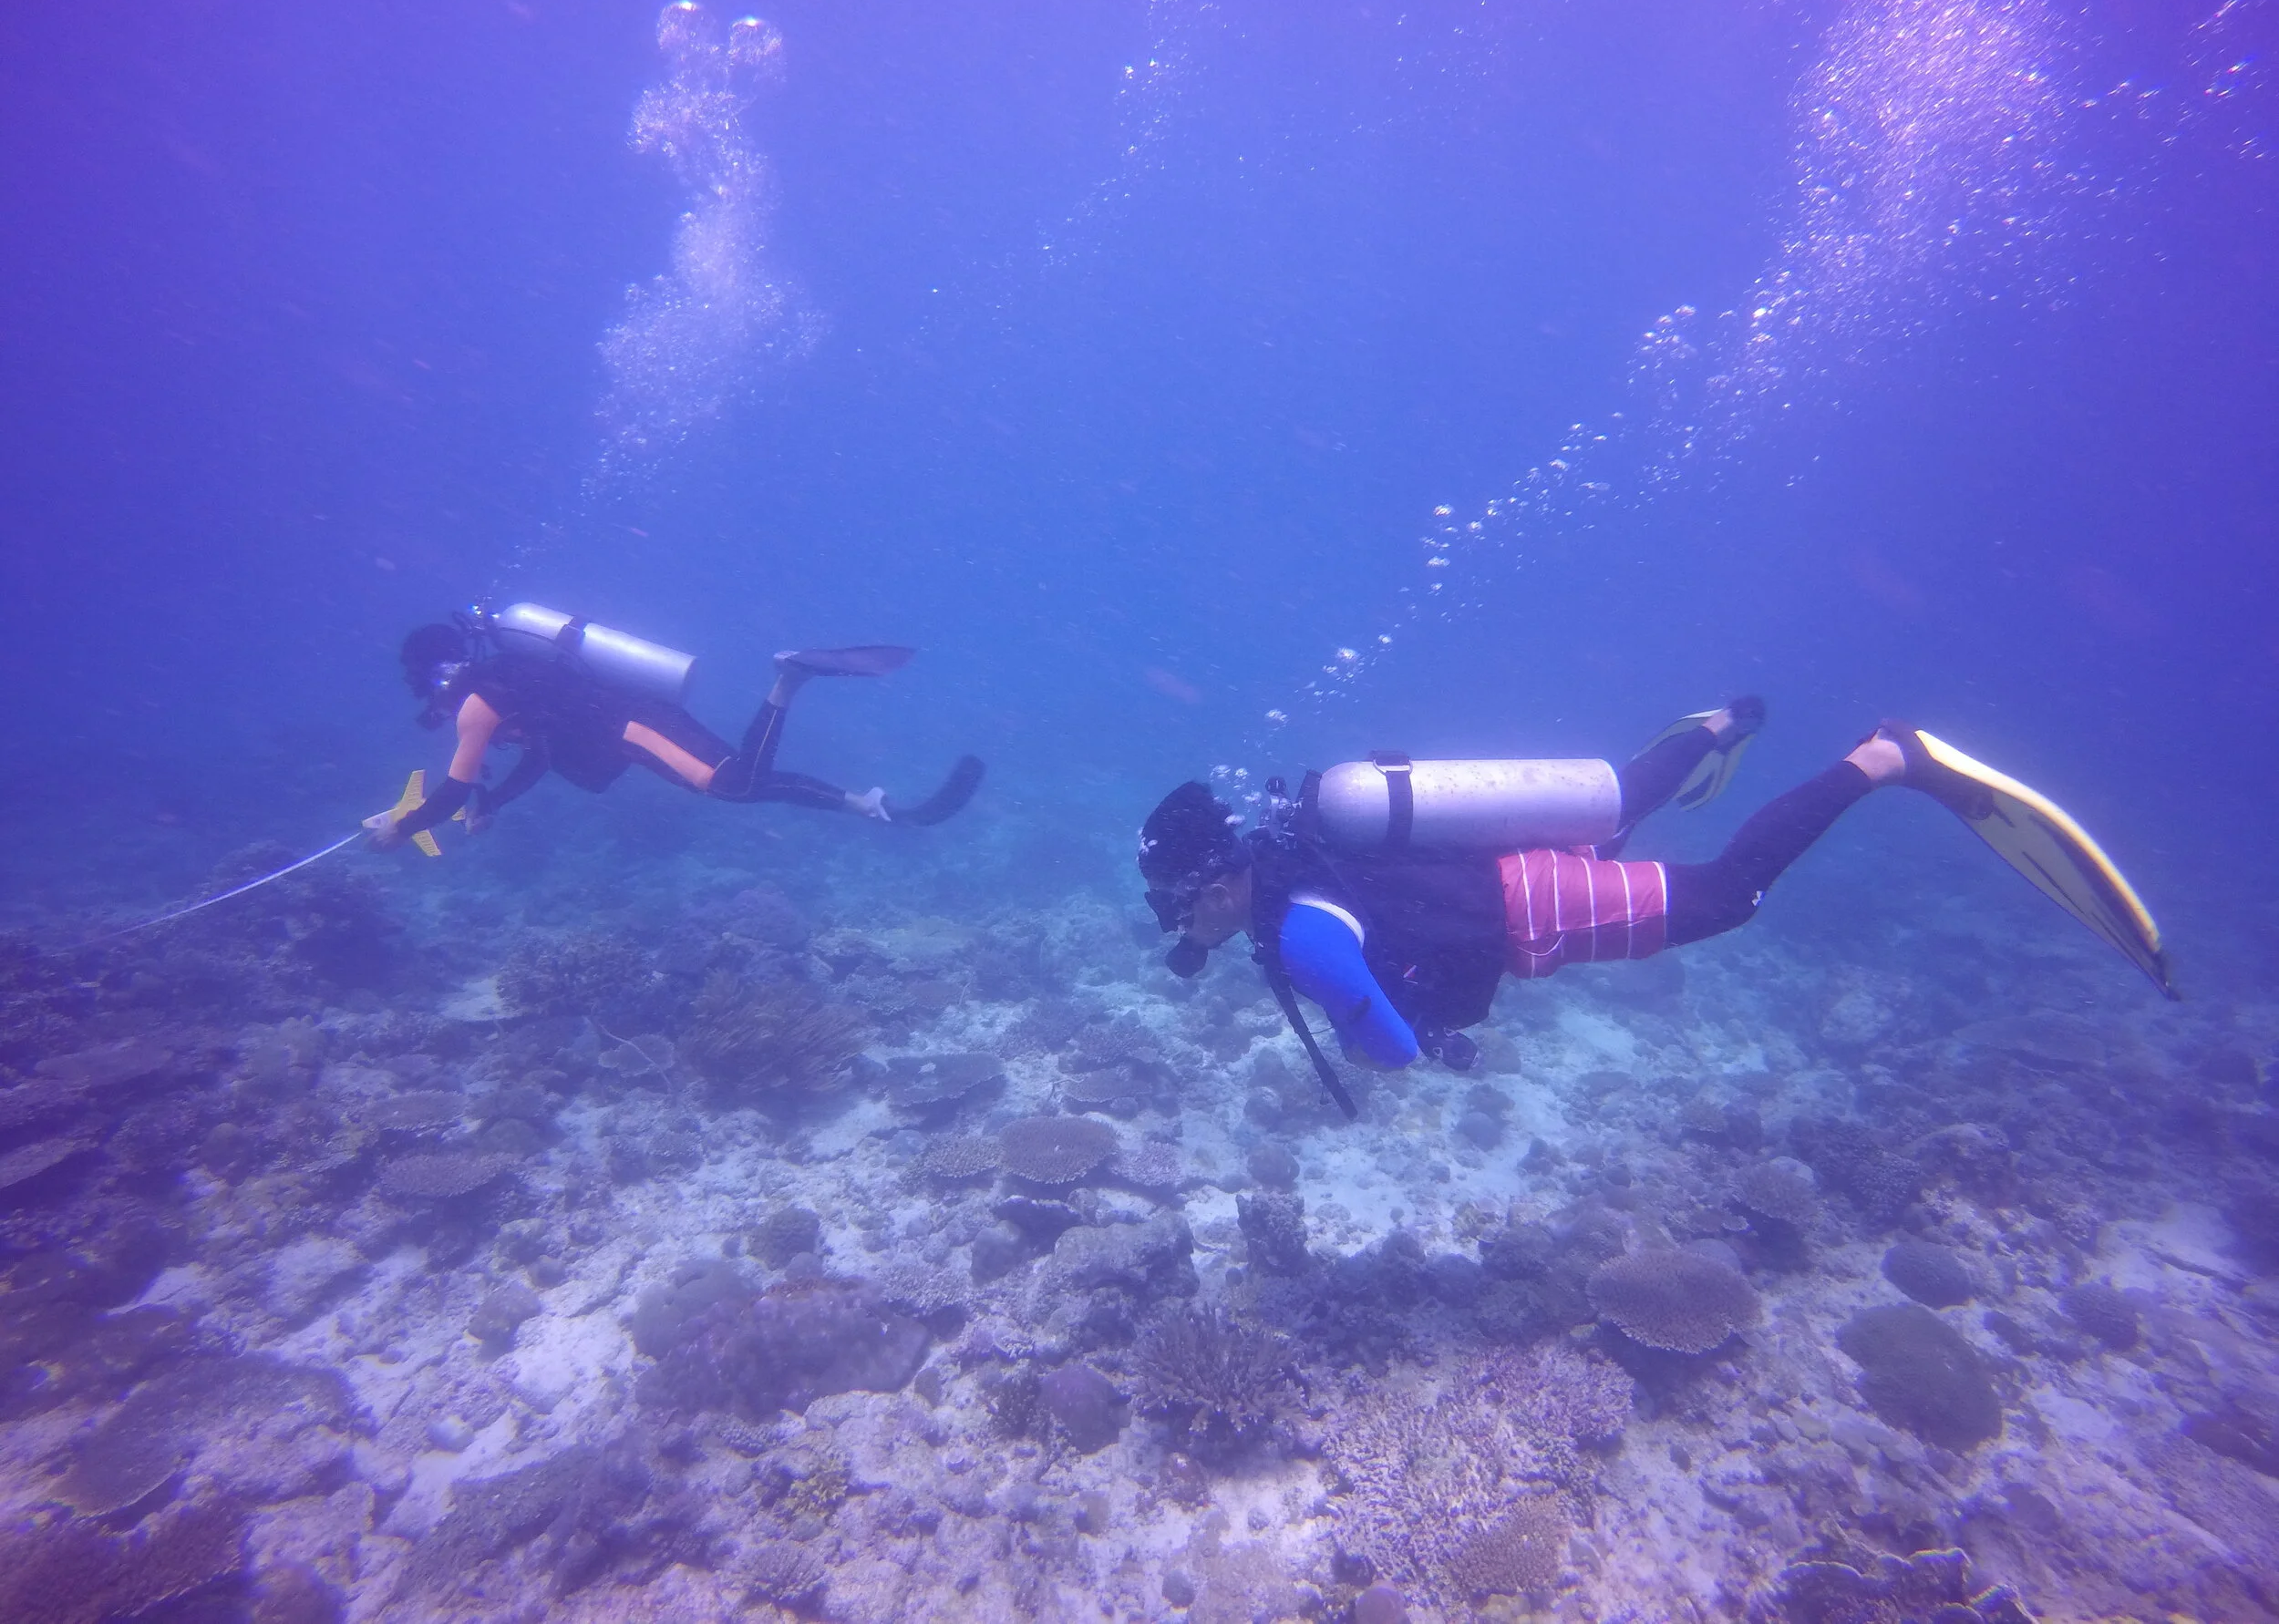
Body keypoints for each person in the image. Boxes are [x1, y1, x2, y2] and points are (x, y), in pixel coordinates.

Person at [1136, 705, 2172, 1084]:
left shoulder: (1299, 925)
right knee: (1616, 807)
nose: (1187, 932)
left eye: (1183, 908)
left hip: (1526, 910)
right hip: (1504, 877)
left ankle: (1887, 758)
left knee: (1727, 895)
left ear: (1219, 878)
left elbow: (1387, 1044)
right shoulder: (1295, 851)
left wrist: (1395, 1047)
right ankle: (1718, 723)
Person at [368, 622, 983, 849]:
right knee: (750, 785)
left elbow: (449, 794)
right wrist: (493, 804)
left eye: (427, 682)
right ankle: (872, 806)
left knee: (736, 785)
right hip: (633, 722)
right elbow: (541, 757)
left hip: (634, 725)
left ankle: (790, 680)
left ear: (441, 672)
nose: (435, 697)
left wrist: (399, 827)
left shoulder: (479, 705)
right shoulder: (503, 690)